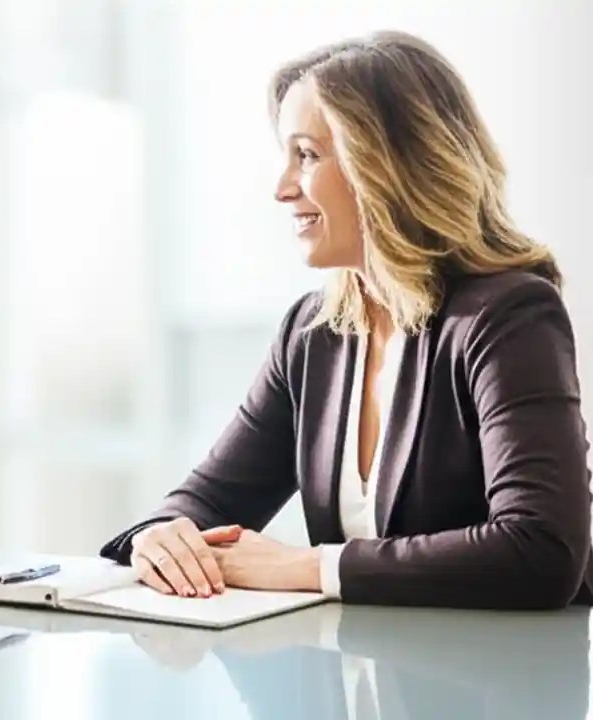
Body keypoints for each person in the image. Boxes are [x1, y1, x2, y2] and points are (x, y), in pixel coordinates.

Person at [101, 30, 593, 609]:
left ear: (384, 165)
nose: (283, 188)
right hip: (367, 684)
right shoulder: (313, 335)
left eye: (306, 155)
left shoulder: (507, 316)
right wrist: (160, 537)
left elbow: (539, 551)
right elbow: (206, 502)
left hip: (502, 688)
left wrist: (307, 567)